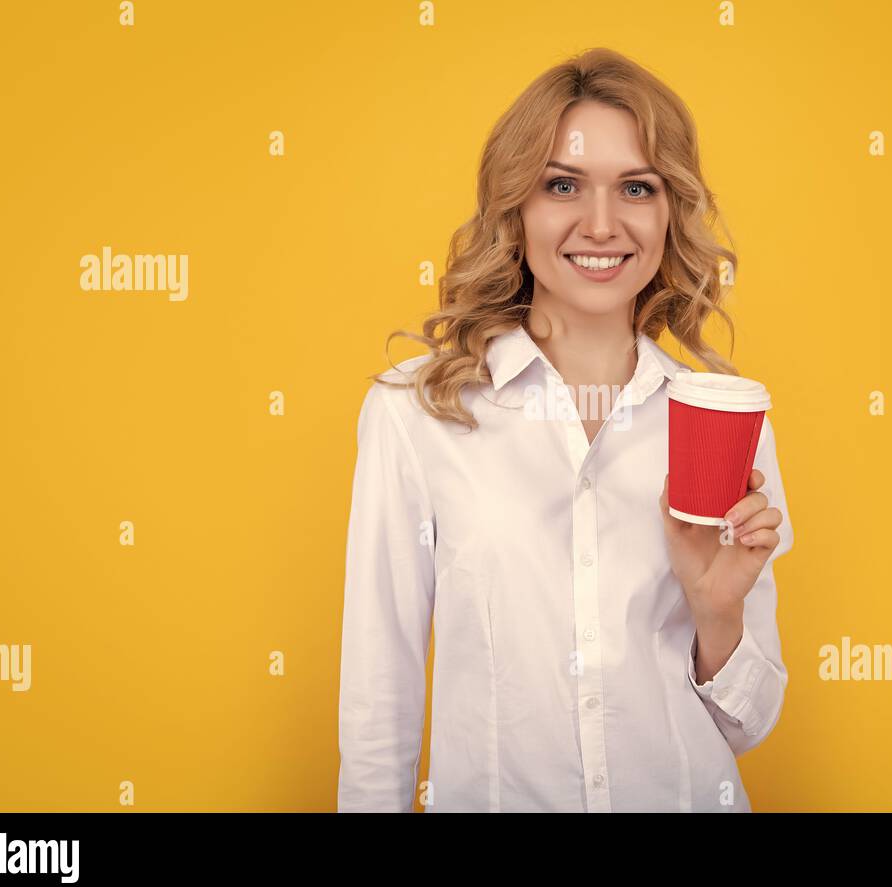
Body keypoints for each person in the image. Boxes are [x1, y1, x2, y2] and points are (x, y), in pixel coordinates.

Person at [338, 48, 793, 813]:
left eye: (637, 188)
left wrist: (716, 610)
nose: (602, 224)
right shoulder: (415, 415)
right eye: (562, 185)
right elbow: (377, 703)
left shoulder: (724, 421)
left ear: (669, 210)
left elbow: (747, 724)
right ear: (514, 207)